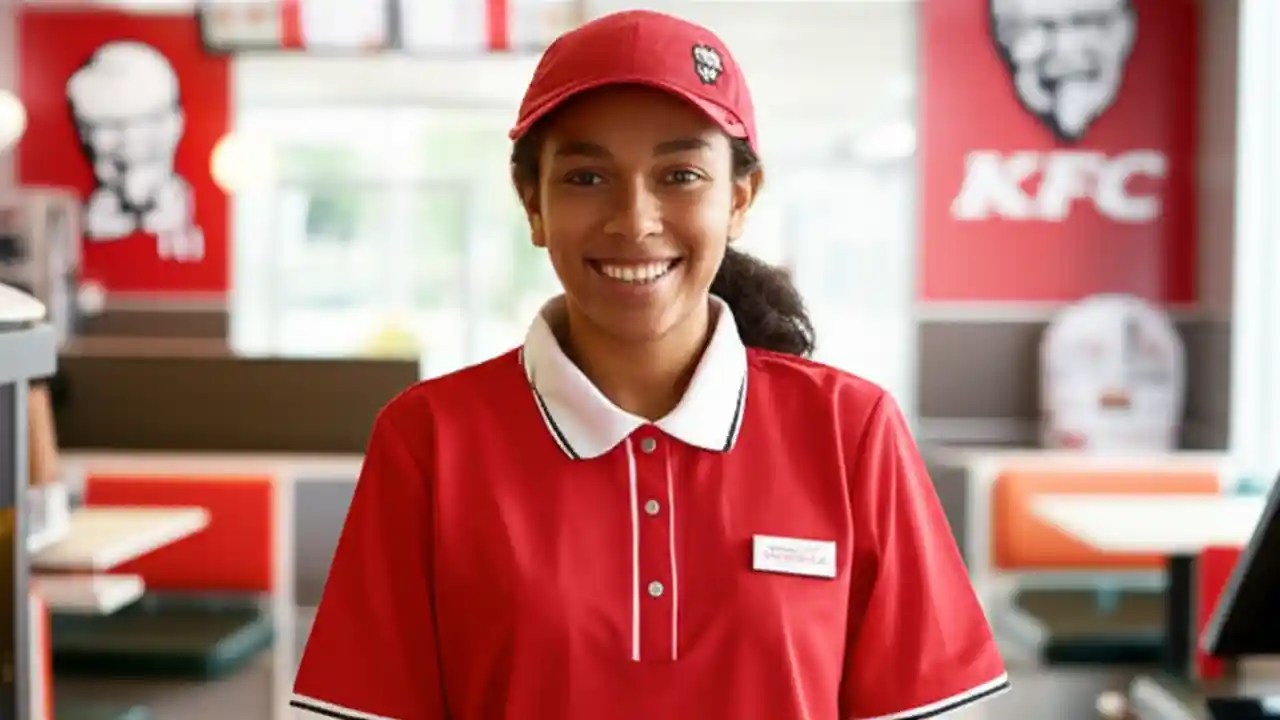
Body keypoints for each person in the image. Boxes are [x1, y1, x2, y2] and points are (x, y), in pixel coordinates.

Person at [292, 10, 1008, 720]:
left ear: (738, 199)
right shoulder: (430, 441)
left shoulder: (851, 432)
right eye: (586, 178)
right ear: (531, 203)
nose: (634, 220)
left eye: (681, 174)